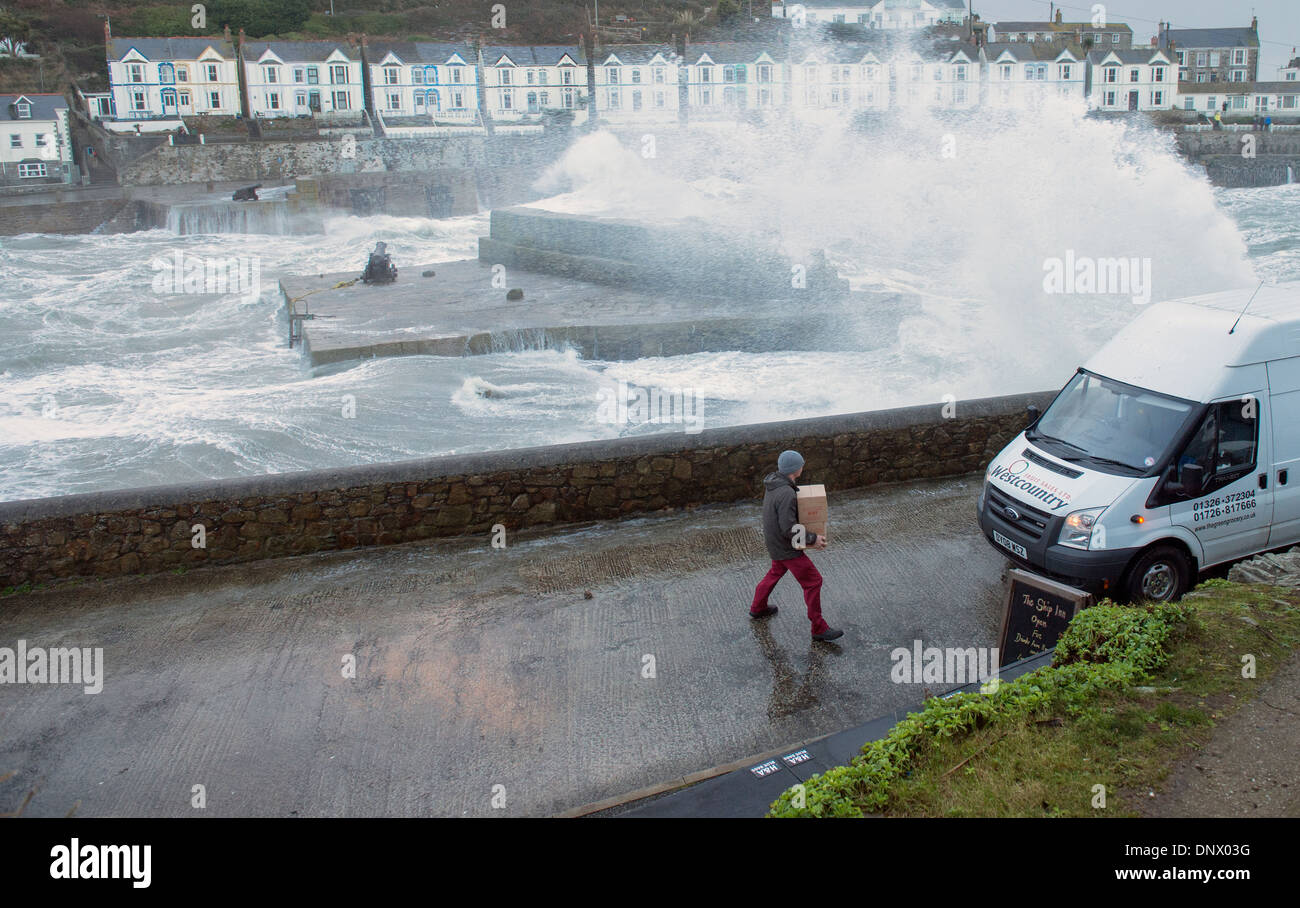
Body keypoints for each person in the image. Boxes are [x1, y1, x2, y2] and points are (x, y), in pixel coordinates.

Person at [749, 450, 843, 642]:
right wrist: (813, 539)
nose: (803, 466)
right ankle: (818, 627)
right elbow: (788, 528)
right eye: (801, 464)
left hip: (774, 542)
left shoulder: (775, 483)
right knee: (813, 581)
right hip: (786, 548)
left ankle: (758, 608)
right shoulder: (786, 493)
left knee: (775, 572)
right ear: (795, 469)